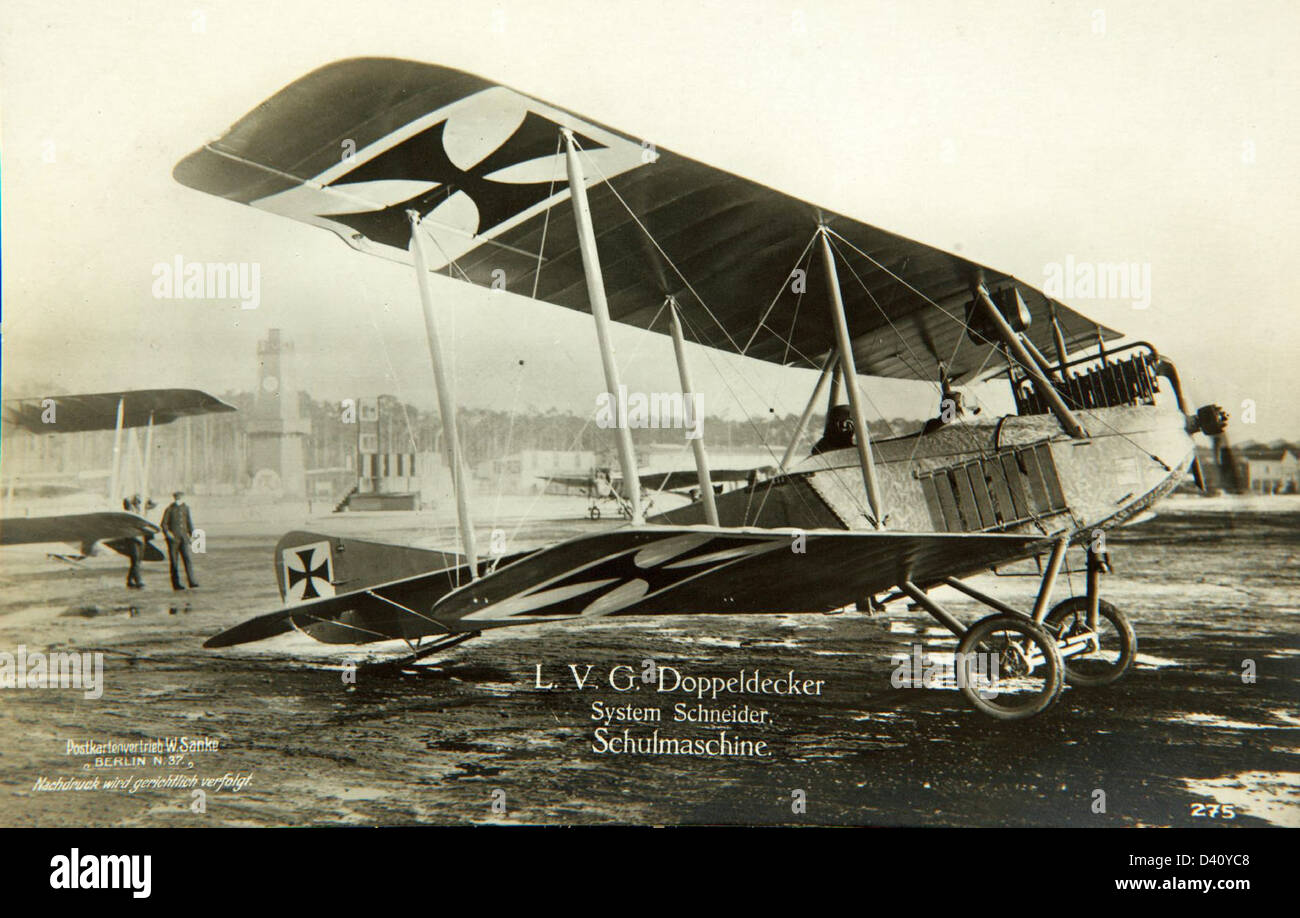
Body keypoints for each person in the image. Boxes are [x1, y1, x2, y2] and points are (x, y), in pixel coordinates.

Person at [160, 491, 199, 591]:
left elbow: (189, 522)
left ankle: (192, 581)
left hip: (184, 538)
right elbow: (164, 524)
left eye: (180, 497)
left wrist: (192, 534)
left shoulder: (186, 508)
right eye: (177, 497)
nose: (178, 499)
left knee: (187, 559)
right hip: (173, 540)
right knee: (174, 561)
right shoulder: (169, 509)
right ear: (174, 498)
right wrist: (168, 534)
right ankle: (176, 584)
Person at [121, 494, 146, 589]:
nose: (138, 503)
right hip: (132, 538)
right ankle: (138, 580)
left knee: (138, 560)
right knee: (135, 559)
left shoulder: (140, 511)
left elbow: (151, 505)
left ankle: (130, 580)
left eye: (139, 501)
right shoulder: (129, 511)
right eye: (137, 501)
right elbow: (126, 501)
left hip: (140, 538)